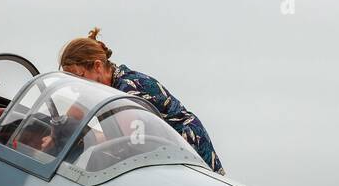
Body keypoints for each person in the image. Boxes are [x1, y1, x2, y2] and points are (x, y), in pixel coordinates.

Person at [58, 29, 224, 173]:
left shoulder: (127, 90)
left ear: (97, 66)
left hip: (187, 144)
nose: (76, 87)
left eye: (79, 77)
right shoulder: (104, 85)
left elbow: (127, 140)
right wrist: (55, 132)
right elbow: (72, 116)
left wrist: (84, 138)